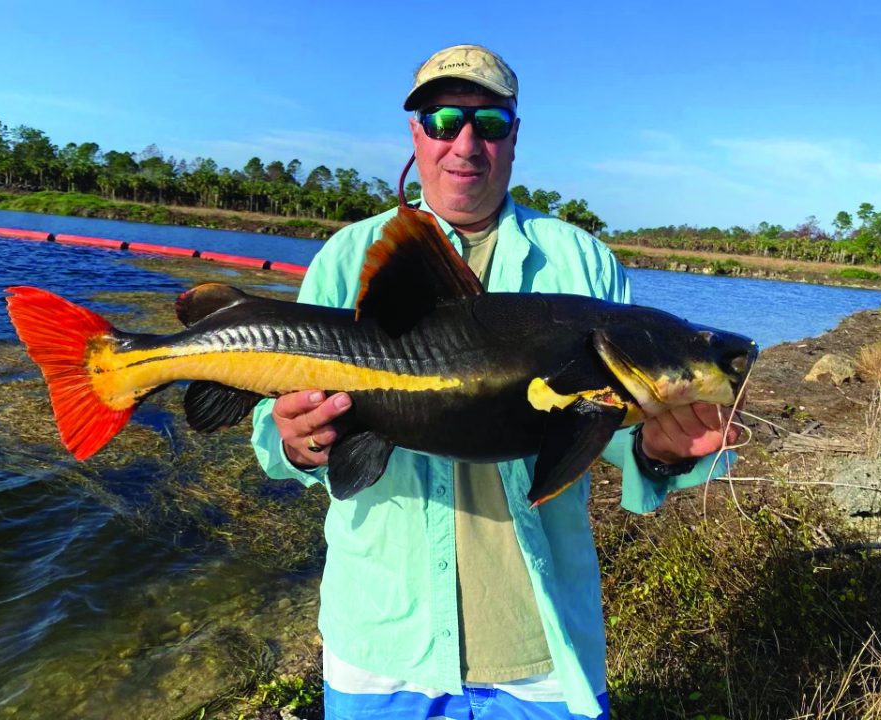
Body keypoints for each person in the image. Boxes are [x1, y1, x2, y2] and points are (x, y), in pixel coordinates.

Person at [251, 44, 740, 720]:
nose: (466, 142)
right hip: (383, 645)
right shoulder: (347, 258)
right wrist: (293, 441)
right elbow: (273, 431)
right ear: (415, 132)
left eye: (490, 122)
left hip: (540, 653)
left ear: (515, 136)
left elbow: (622, 440)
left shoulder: (583, 263)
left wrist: (660, 451)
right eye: (444, 118)